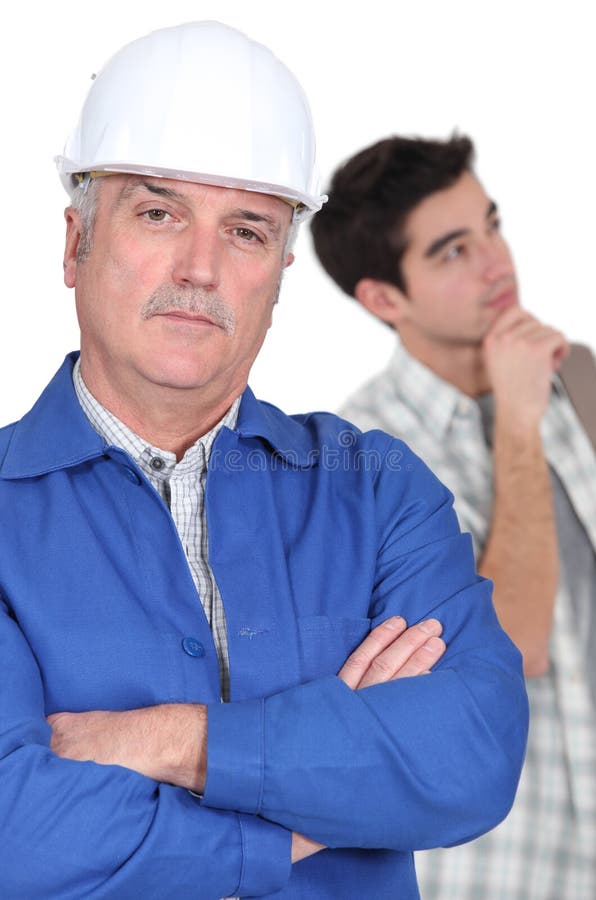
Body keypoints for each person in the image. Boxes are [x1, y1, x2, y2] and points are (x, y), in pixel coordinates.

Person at [0, 27, 527, 899]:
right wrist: (320, 796)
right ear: (74, 244)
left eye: (246, 230)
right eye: (159, 212)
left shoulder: (380, 491)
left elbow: (471, 752)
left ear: (280, 273)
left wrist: (178, 741)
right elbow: (16, 831)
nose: (201, 268)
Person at [310, 133, 596, 899]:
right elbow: (514, 643)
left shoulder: (577, 378)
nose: (497, 263)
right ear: (383, 298)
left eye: (492, 226)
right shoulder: (357, 460)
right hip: (496, 871)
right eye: (452, 251)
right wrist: (518, 423)